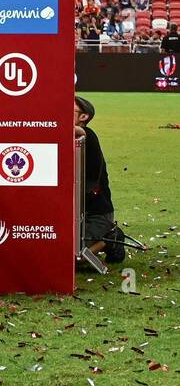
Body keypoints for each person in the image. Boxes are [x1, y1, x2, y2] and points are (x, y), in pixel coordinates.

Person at [75, 97, 119, 264]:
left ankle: (110, 238)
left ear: (83, 117)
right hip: (74, 214)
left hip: (97, 214)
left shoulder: (88, 135)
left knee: (71, 260)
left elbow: (78, 132)